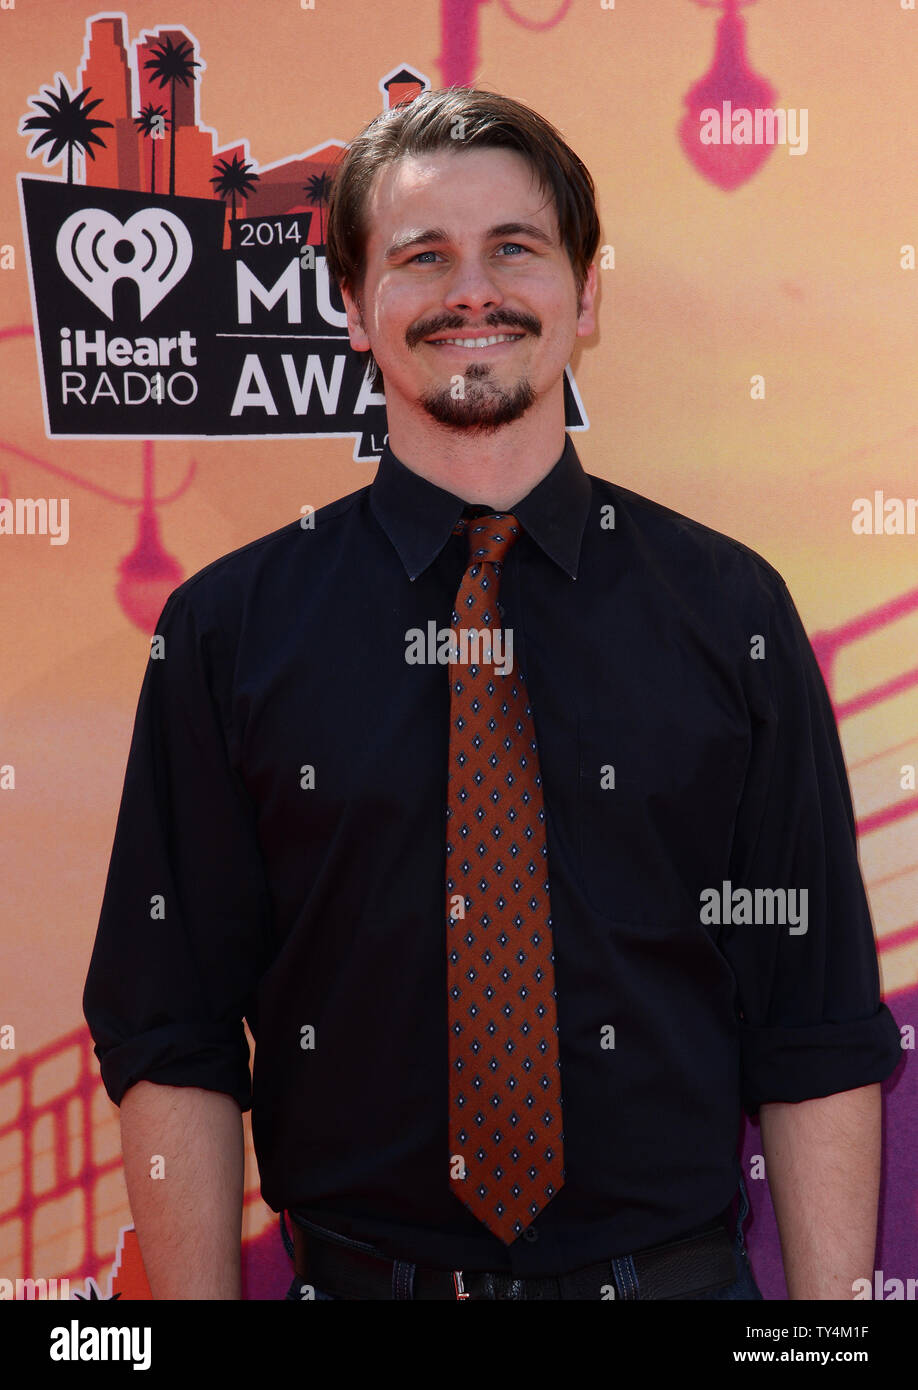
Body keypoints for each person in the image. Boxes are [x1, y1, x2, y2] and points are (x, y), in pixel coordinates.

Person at [83, 86, 903, 1302]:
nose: (474, 291)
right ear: (354, 308)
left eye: (514, 247)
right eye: (422, 257)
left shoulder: (733, 615)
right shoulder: (225, 632)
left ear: (586, 294)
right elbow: (174, 1033)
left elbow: (816, 1020)